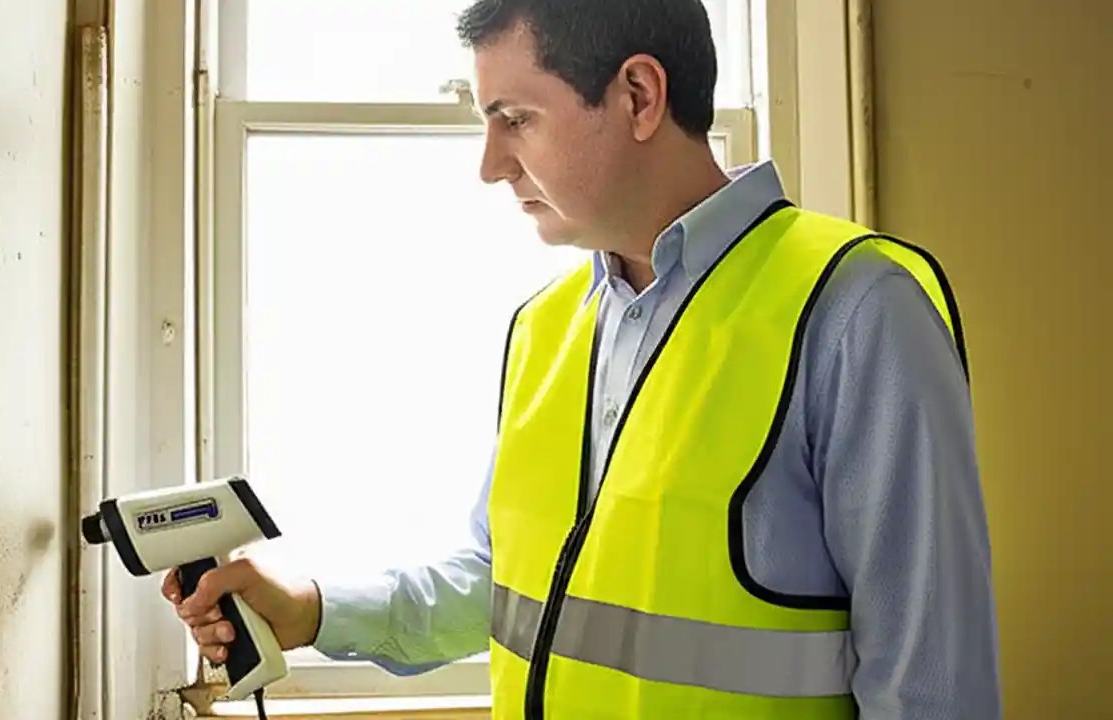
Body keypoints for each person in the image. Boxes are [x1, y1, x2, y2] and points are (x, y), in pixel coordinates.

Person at [164, 0, 1002, 717]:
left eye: (515, 118)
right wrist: (309, 610)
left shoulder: (857, 309)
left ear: (639, 95)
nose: (491, 165)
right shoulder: (546, 327)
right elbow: (507, 585)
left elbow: (932, 685)